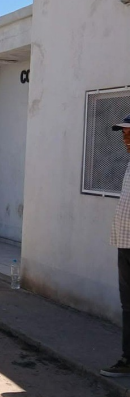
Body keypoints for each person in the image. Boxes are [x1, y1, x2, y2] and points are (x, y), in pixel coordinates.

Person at [101, 114, 130, 377]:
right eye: (123, 135)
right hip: (126, 243)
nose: (126, 139)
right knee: (128, 305)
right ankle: (127, 359)